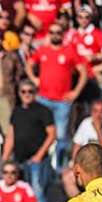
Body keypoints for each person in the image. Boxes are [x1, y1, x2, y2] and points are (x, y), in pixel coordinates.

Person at [26, 24, 87, 168]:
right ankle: (40, 162)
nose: (55, 34)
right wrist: (34, 79)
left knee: (61, 136)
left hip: (62, 101)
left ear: (62, 34)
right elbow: (29, 64)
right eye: (52, 32)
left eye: (58, 32)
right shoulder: (43, 50)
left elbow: (83, 71)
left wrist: (76, 92)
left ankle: (60, 167)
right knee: (40, 133)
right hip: (43, 98)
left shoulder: (69, 51)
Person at [2, 80, 56, 202]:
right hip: (19, 160)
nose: (27, 94)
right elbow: (11, 136)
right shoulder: (16, 111)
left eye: (30, 91)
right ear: (19, 93)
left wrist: (39, 156)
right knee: (19, 193)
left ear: (35, 93)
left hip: (37, 161)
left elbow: (52, 134)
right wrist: (5, 158)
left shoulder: (43, 110)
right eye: (23, 91)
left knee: (37, 193)